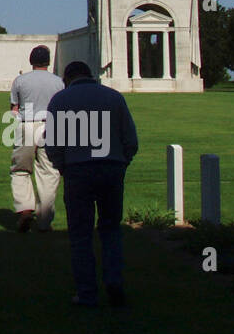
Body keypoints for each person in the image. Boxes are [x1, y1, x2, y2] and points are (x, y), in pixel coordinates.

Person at [43, 60, 139, 307]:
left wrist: (62, 166)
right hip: (112, 168)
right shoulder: (114, 97)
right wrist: (121, 163)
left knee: (80, 234)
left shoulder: (60, 101)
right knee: (110, 229)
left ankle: (87, 293)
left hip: (77, 170)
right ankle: (114, 281)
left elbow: (53, 144)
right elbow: (130, 139)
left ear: (67, 79)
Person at [8, 45, 63, 232]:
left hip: (27, 124)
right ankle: (44, 220)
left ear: (31, 61)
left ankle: (24, 209)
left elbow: (14, 108)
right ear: (48, 61)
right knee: (49, 172)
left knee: (20, 170)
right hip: (50, 125)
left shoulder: (20, 80)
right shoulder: (58, 82)